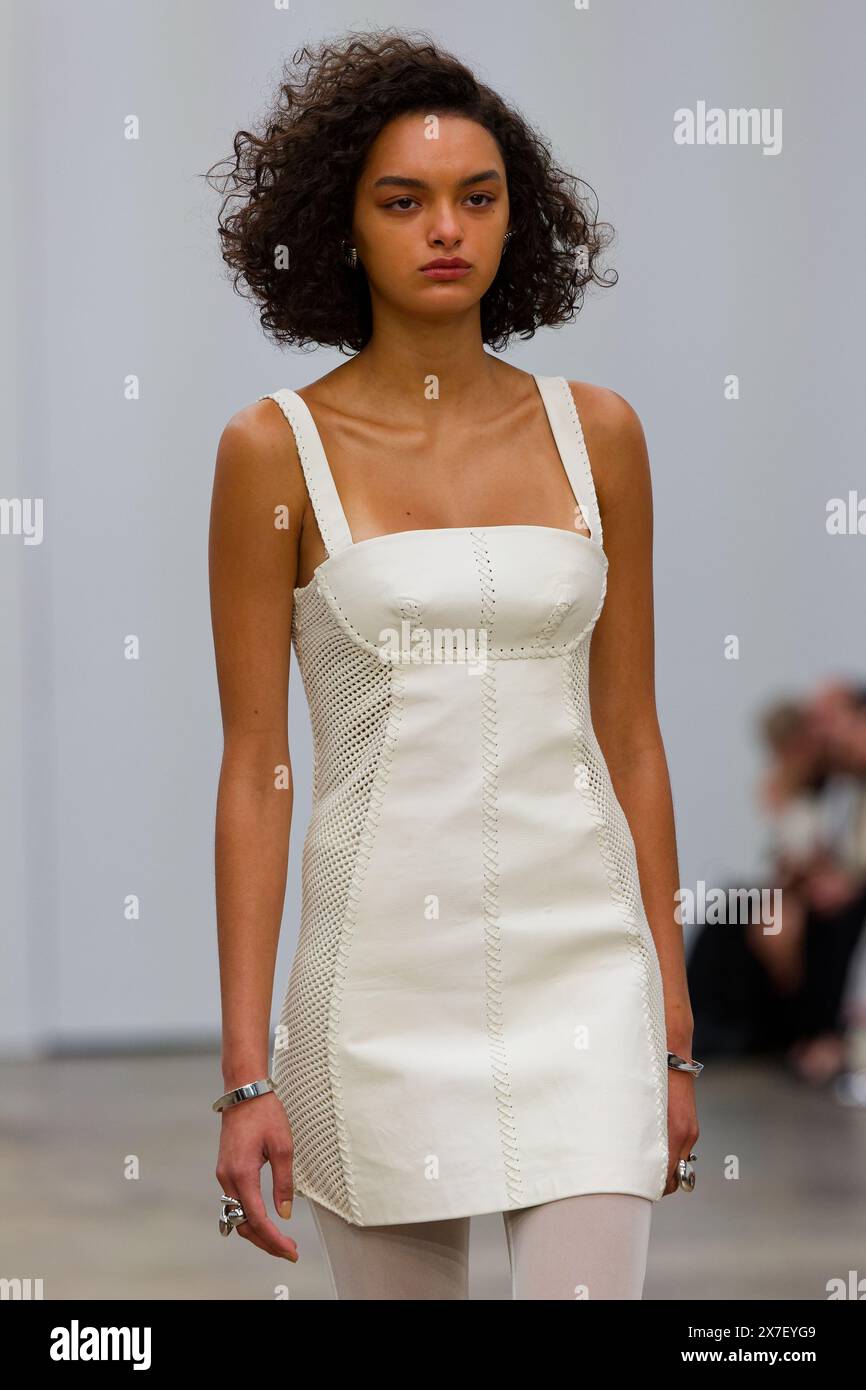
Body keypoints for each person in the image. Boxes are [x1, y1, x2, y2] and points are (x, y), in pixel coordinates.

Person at [206, 29, 700, 1300]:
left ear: (514, 221)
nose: (446, 228)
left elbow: (632, 736)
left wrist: (673, 1020)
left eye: (477, 198)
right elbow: (257, 764)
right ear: (340, 226)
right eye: (403, 199)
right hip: (376, 992)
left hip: (586, 975)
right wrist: (247, 1071)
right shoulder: (273, 451)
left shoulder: (600, 435)